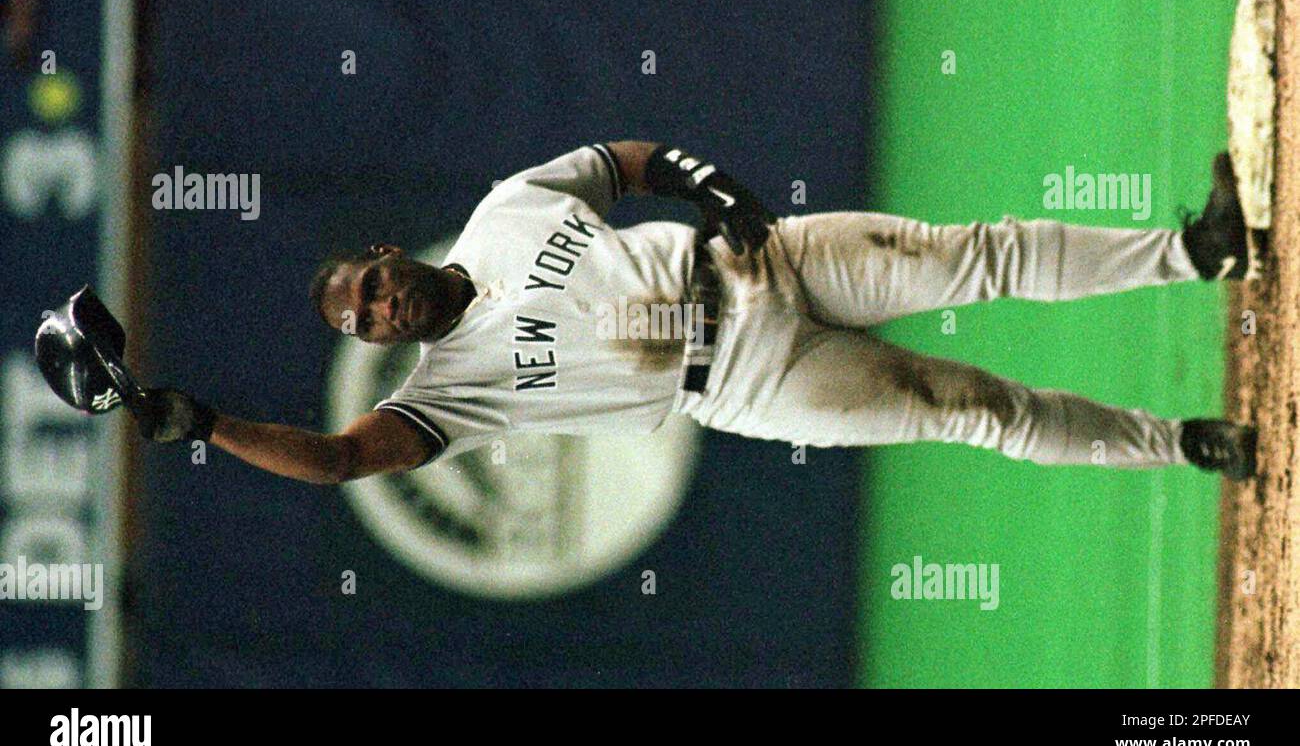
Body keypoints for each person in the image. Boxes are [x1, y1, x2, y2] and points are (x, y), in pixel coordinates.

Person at [135, 142, 1263, 482]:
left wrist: (712, 186)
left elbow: (623, 163)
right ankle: (1185, 444)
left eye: (369, 284)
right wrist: (206, 423)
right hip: (742, 384)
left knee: (977, 254)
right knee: (970, 406)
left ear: (388, 257)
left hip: (759, 266)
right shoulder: (448, 394)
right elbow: (337, 459)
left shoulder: (502, 211)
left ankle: (1195, 248)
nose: (377, 308)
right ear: (375, 343)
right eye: (361, 322)